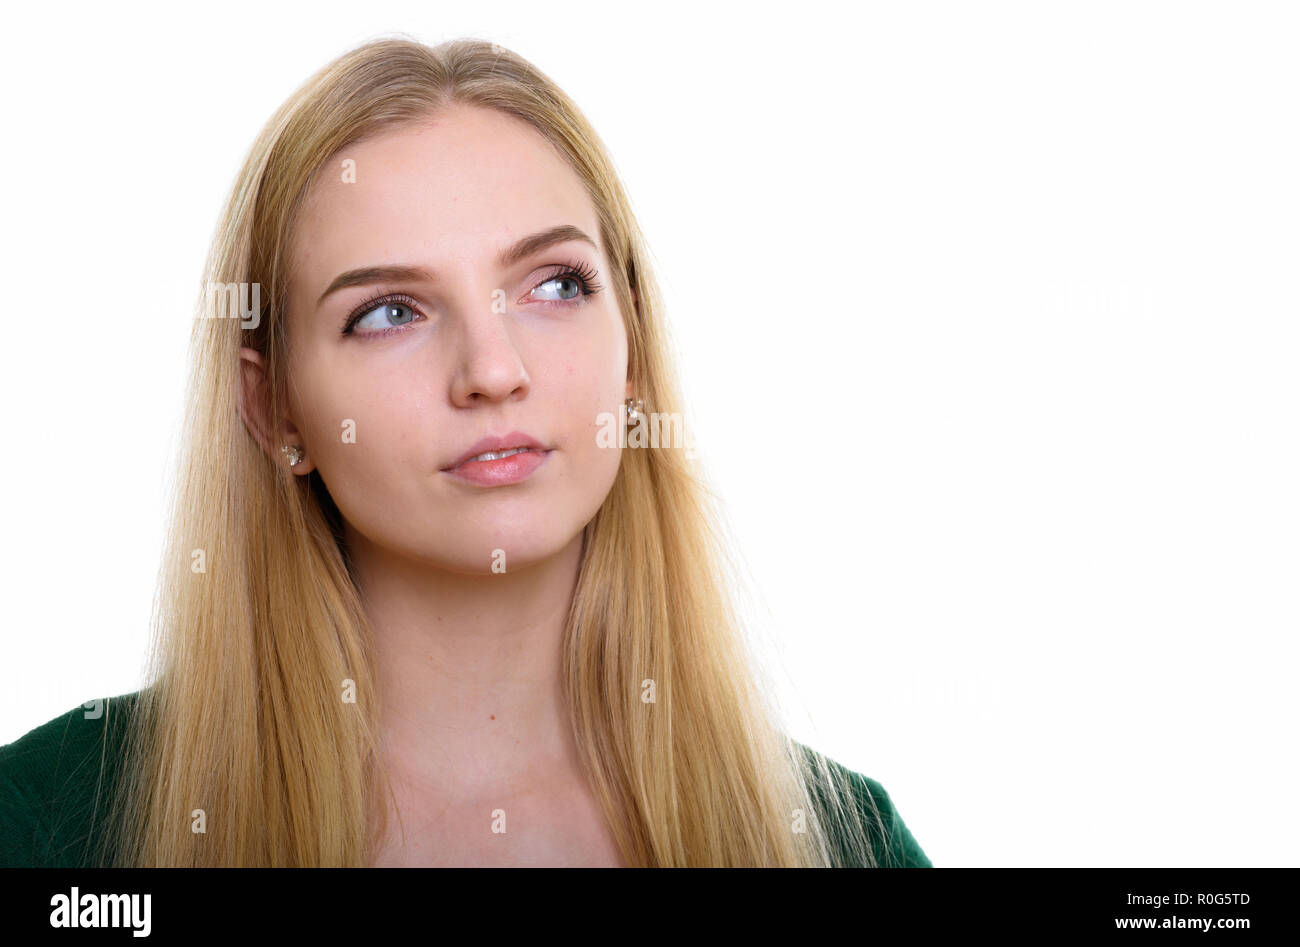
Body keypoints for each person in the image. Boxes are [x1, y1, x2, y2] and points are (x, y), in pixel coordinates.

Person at [0, 35, 930, 868]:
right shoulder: (46, 824)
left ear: (634, 343)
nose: (493, 369)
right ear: (273, 406)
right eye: (390, 312)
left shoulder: (842, 842)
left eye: (556, 284)